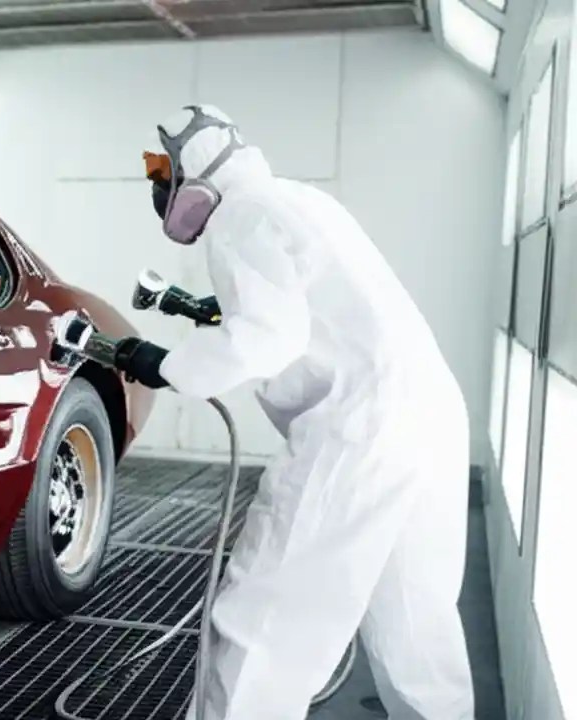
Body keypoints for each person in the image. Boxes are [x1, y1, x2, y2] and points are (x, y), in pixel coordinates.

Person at [115, 105, 474, 719]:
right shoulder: (298, 201)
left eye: (161, 169)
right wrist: (215, 309)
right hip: (430, 421)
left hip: (358, 432)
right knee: (417, 632)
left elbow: (268, 339)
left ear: (195, 171)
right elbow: (311, 309)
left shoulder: (239, 218)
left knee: (261, 627)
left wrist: (163, 364)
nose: (157, 185)